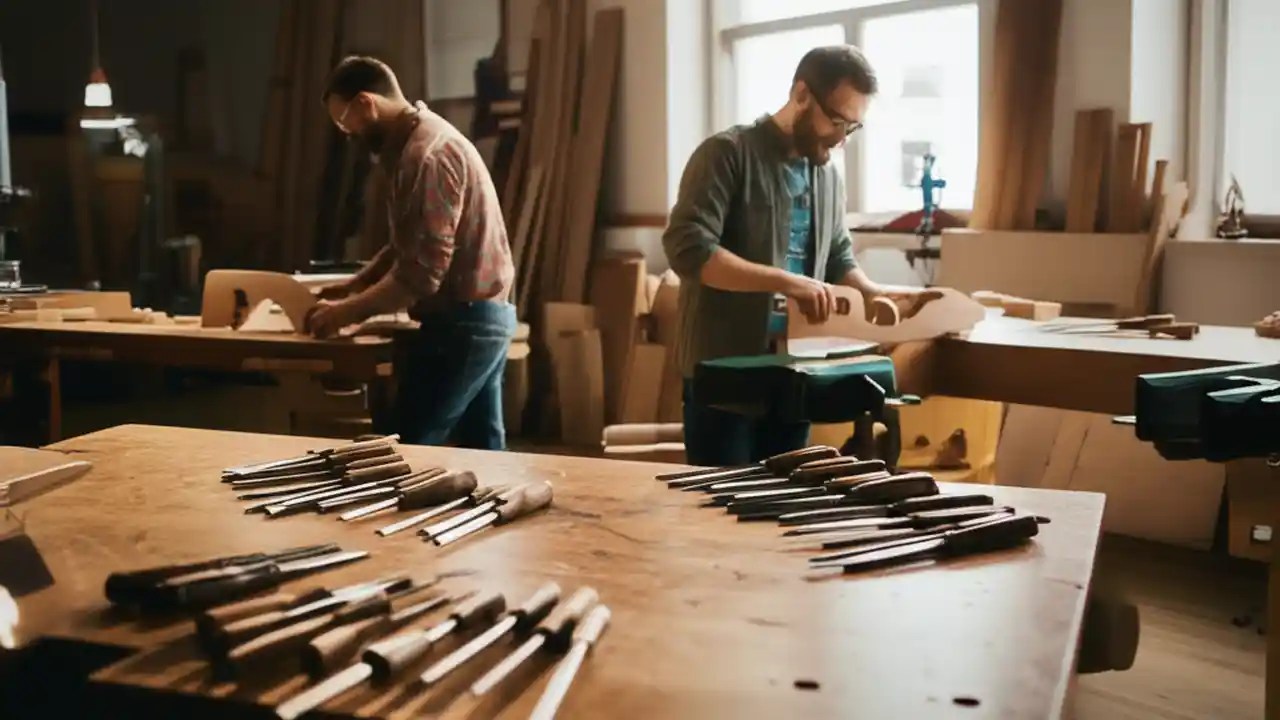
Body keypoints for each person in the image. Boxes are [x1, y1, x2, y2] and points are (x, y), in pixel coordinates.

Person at [662, 45, 937, 467]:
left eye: (853, 127)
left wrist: (871, 293)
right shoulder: (726, 154)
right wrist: (786, 281)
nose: (842, 139)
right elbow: (688, 249)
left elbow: (838, 256)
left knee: (788, 508)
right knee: (720, 512)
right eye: (838, 120)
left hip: (796, 371)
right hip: (726, 371)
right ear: (802, 94)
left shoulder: (827, 175)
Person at [310, 56, 516, 450]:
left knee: (403, 448)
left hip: (466, 324)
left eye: (344, 123)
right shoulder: (411, 146)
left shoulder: (428, 156)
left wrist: (344, 314)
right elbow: (408, 242)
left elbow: (420, 275)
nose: (347, 135)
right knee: (487, 454)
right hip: (477, 317)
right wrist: (353, 286)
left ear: (367, 104)